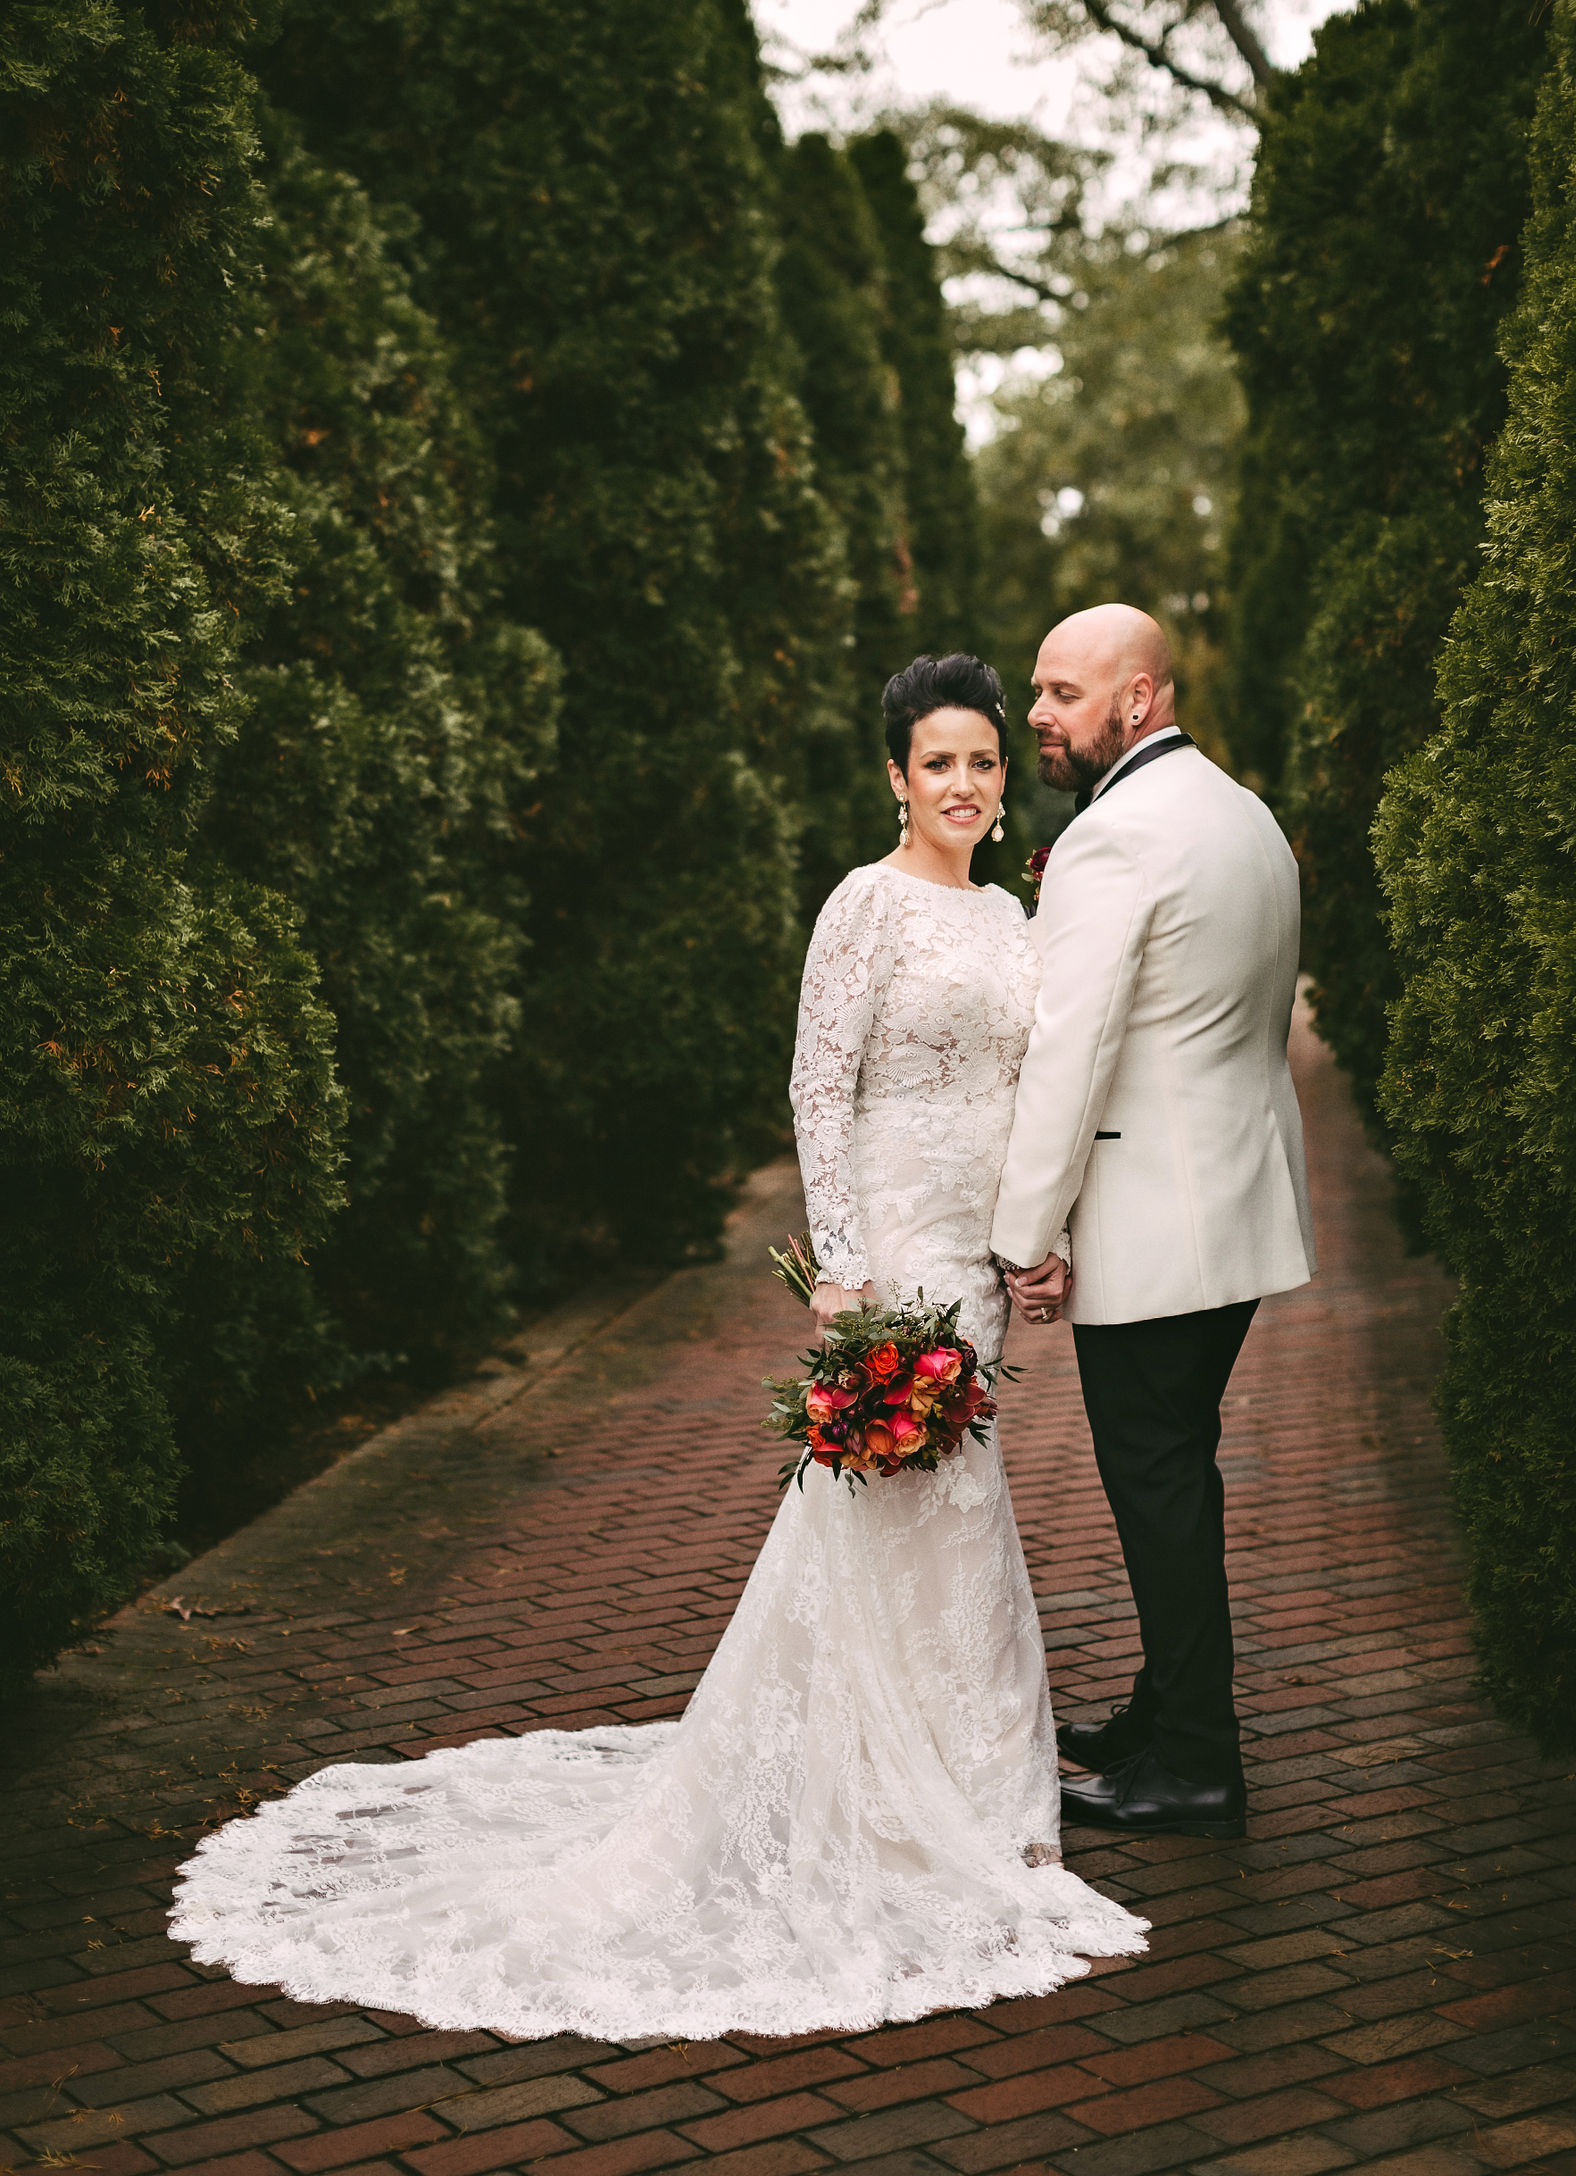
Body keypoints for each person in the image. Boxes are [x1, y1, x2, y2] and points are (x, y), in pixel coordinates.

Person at [168, 651, 1144, 2045]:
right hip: (891, 1255)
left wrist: (1037, 1237)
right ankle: (921, 1802)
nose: (968, 785)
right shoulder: (864, 906)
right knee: (898, 1503)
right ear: (895, 778)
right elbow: (821, 1084)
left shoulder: (1012, 915)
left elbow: (1034, 1089)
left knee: (954, 1500)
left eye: (985, 761)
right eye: (940, 763)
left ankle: (969, 1789)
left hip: (977, 1259)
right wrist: (844, 1267)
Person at [991, 605, 1315, 1843]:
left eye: (1062, 694)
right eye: (1035, 691)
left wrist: (1026, 1231)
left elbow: (1072, 1053)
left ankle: (1194, 1765)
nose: (1037, 715)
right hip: (1232, 1205)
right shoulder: (1240, 815)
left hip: (1150, 1224)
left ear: (1135, 699)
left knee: (1159, 1484)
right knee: (1180, 1466)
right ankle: (1161, 1712)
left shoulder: (1115, 838)